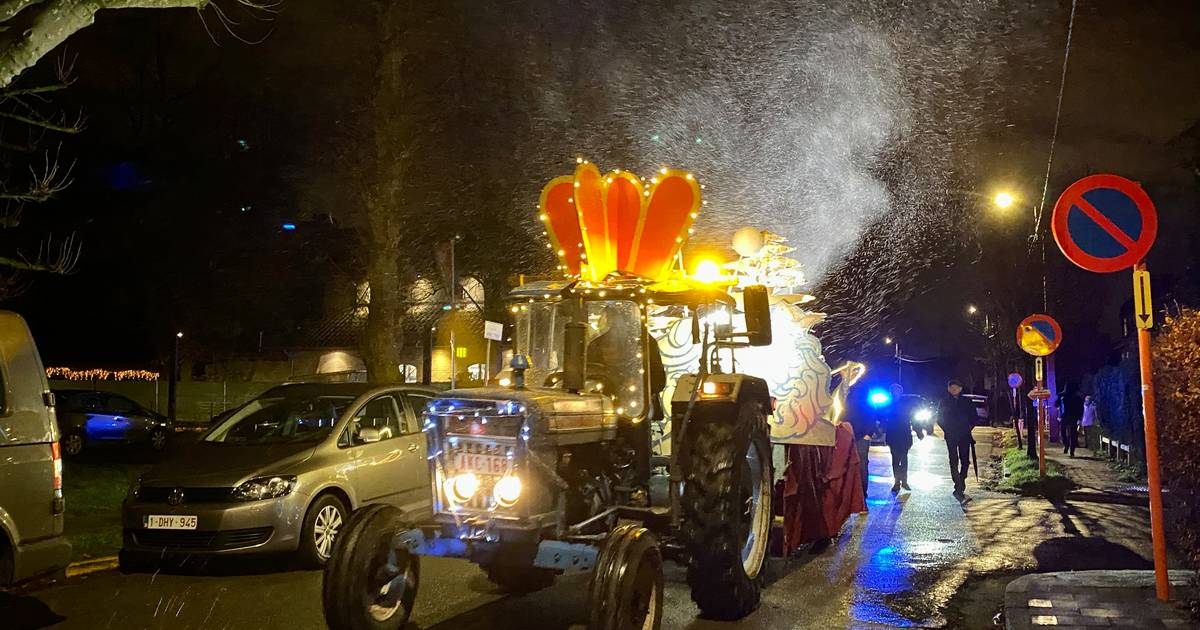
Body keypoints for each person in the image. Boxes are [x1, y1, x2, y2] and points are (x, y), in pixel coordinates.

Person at [938, 379, 976, 502]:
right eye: (952, 387)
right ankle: (958, 483)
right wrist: (947, 429)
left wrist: (968, 428)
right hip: (951, 435)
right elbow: (940, 419)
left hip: (965, 434)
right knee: (953, 460)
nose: (954, 390)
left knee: (965, 460)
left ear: (960, 388)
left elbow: (974, 417)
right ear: (948, 389)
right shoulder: (944, 401)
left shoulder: (967, 401)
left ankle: (962, 479)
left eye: (956, 387)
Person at [884, 384, 924, 493]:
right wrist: (880, 430)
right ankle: (897, 482)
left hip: (904, 434)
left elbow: (913, 419)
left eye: (897, 391)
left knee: (904, 458)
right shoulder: (888, 404)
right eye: (893, 391)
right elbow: (882, 418)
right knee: (895, 460)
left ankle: (904, 481)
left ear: (901, 393)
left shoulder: (906, 404)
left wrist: (918, 431)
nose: (895, 393)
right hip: (892, 435)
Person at [1058, 387, 1082, 457]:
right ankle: (1071, 450)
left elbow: (1057, 405)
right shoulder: (1077, 398)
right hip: (1072, 418)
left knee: (1064, 433)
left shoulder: (1063, 397)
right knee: (1072, 434)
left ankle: (1067, 445)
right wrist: (1079, 417)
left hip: (1065, 417)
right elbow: (1081, 409)